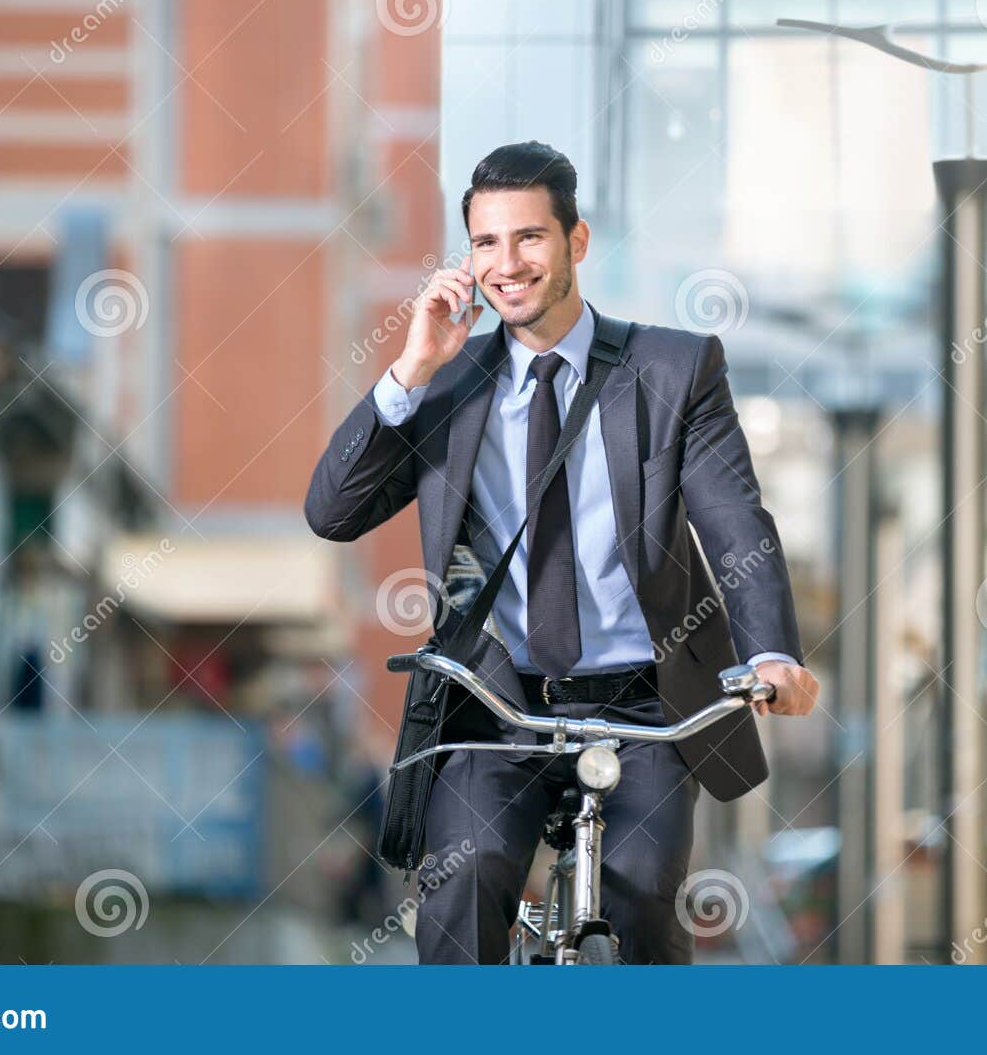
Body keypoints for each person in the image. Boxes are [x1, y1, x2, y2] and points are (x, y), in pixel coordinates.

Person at [305, 141, 817, 963]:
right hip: (494, 702)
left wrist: (771, 651)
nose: (507, 263)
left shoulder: (674, 369)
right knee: (462, 889)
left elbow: (734, 519)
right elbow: (333, 511)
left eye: (530, 238)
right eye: (485, 243)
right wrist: (409, 367)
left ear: (576, 241)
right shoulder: (446, 382)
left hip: (644, 703)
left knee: (646, 893)